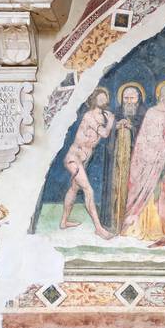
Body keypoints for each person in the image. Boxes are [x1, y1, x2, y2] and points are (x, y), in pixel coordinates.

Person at [121, 83, 165, 242]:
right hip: (152, 164)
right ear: (163, 97)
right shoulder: (153, 113)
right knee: (152, 195)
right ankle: (149, 228)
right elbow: (151, 139)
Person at [58, 87, 115, 238]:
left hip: (83, 160)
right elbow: (104, 133)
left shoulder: (104, 116)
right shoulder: (89, 116)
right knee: (88, 190)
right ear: (94, 100)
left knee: (73, 189)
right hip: (73, 158)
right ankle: (98, 228)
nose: (103, 100)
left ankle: (63, 222)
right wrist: (110, 122)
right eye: (100, 98)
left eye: (105, 98)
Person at [105, 82, 145, 233]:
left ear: (138, 98)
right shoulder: (116, 112)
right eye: (126, 98)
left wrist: (132, 128)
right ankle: (115, 219)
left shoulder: (144, 113)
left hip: (137, 160)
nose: (128, 101)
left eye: (132, 98)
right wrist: (115, 126)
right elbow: (106, 134)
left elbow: (146, 133)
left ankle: (132, 223)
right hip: (118, 162)